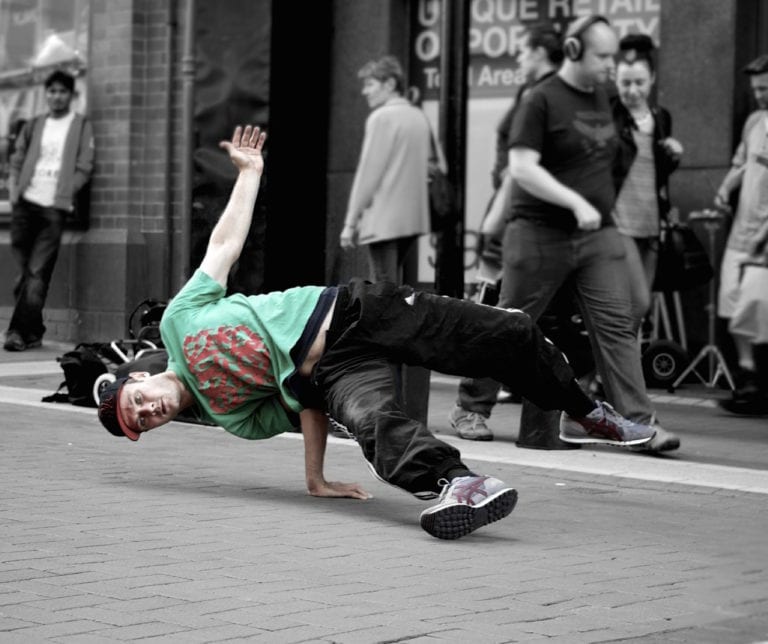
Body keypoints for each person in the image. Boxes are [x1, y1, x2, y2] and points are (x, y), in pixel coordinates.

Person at [97, 124, 656, 541]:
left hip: (355, 311)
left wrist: (250, 176)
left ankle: (587, 411)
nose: (147, 411)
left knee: (506, 332)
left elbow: (223, 249)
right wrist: (316, 478)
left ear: (139, 377)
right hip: (336, 371)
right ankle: (459, 484)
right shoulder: (232, 419)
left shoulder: (179, 322)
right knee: (371, 424)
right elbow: (310, 409)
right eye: (142, 422)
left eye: (137, 402)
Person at [450, 15, 680, 453]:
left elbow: (632, 135)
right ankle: (470, 406)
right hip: (539, 233)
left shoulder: (606, 96)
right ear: (573, 51)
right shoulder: (541, 99)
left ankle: (638, 424)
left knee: (616, 324)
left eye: (615, 57)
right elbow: (521, 168)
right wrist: (571, 203)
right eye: (603, 56)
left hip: (596, 238)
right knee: (511, 326)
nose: (611, 66)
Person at [453, 22, 564, 440]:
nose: (518, 58)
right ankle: (471, 407)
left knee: (514, 318)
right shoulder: (533, 94)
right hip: (521, 218)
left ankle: (583, 412)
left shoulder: (550, 96)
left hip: (539, 221)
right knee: (504, 316)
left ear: (540, 53)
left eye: (523, 51)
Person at [4, 70, 95, 352]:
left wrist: (68, 191)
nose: (56, 96)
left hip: (53, 209)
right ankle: (35, 330)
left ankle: (17, 332)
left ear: (71, 95)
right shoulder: (34, 124)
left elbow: (85, 165)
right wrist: (14, 191)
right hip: (25, 205)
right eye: (52, 91)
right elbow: (17, 158)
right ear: (47, 94)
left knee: (36, 272)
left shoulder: (80, 126)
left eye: (62, 92)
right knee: (26, 276)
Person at [611, 34, 683, 331]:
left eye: (639, 82)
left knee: (638, 310)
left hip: (650, 221)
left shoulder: (661, 117)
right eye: (625, 83)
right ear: (615, 80)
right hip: (618, 221)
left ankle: (606, 373)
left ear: (652, 78)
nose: (632, 91)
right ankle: (603, 370)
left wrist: (673, 155)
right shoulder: (609, 115)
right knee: (636, 302)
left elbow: (657, 173)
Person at [339, 55, 430, 284]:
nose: (364, 92)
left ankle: (390, 321)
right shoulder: (418, 116)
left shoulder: (381, 118)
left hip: (384, 218)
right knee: (392, 283)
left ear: (390, 84)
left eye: (370, 84)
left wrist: (350, 222)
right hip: (413, 219)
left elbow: (368, 174)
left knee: (383, 289)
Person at [714, 53, 768, 411]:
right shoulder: (753, 122)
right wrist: (723, 187)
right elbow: (741, 164)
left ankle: (756, 387)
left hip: (764, 234)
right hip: (740, 230)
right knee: (732, 303)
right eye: (755, 89)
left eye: (765, 88)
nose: (759, 94)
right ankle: (747, 379)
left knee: (756, 307)